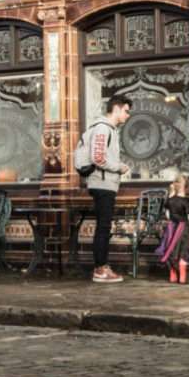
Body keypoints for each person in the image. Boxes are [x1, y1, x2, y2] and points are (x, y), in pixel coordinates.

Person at [79, 93, 132, 283]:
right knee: (103, 227)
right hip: (102, 184)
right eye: (126, 111)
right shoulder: (103, 128)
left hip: (104, 184)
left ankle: (102, 266)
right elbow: (98, 158)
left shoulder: (109, 129)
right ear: (116, 108)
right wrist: (119, 167)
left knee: (104, 226)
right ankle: (100, 269)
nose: (127, 115)